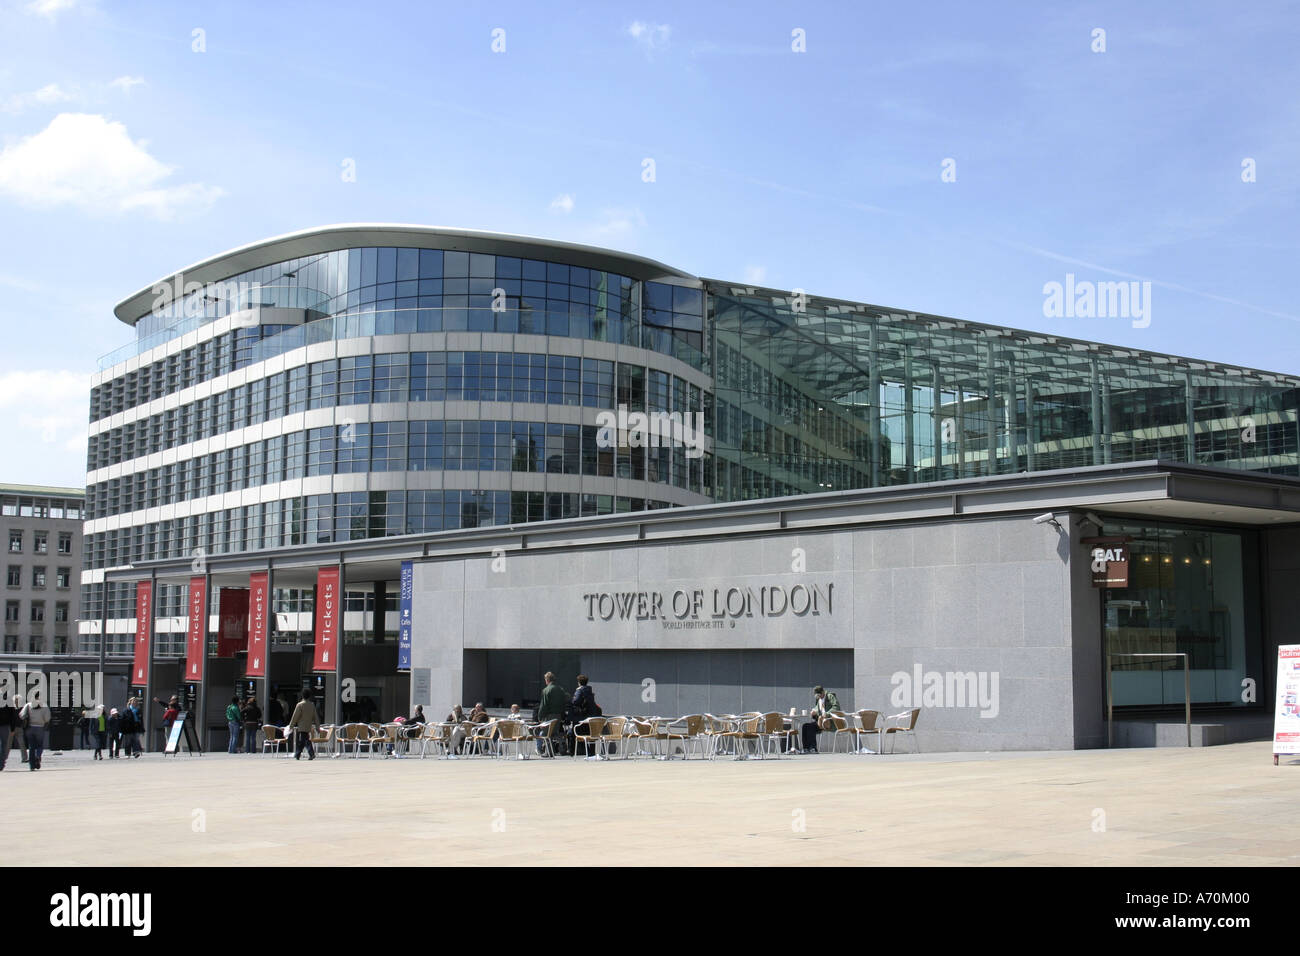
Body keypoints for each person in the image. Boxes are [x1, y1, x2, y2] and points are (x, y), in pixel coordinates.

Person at [801, 686, 841, 753]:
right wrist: (813, 712)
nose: (819, 697)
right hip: (820, 721)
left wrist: (827, 713)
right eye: (817, 695)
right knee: (805, 726)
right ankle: (806, 748)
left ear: (823, 692)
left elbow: (836, 707)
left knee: (811, 727)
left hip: (829, 722)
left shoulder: (830, 696)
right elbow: (817, 708)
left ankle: (813, 748)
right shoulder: (818, 699)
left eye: (819, 695)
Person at [535, 672, 566, 756]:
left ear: (547, 680)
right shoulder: (560, 689)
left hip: (549, 715)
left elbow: (544, 705)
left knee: (546, 733)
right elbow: (564, 703)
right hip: (558, 715)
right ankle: (562, 748)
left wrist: (540, 716)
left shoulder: (546, 690)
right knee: (555, 732)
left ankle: (548, 751)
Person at [19, 691, 51, 770]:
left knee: (31, 747)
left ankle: (32, 765)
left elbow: (21, 715)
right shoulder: (44, 705)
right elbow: (47, 718)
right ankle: (38, 756)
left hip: (30, 728)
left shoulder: (28, 705)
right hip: (40, 727)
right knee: (40, 745)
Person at [287, 689, 319, 760]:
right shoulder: (312, 705)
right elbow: (315, 717)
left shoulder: (300, 705)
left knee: (305, 740)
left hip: (301, 725)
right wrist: (317, 727)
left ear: (302, 696)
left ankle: (311, 754)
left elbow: (295, 716)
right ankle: (297, 754)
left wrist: (291, 726)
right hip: (308, 725)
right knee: (303, 740)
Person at [0, 695, 17, 770]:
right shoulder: (9, 701)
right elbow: (13, 715)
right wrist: (13, 728)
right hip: (5, 725)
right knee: (4, 745)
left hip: (4, 725)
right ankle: (1, 764)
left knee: (3, 745)